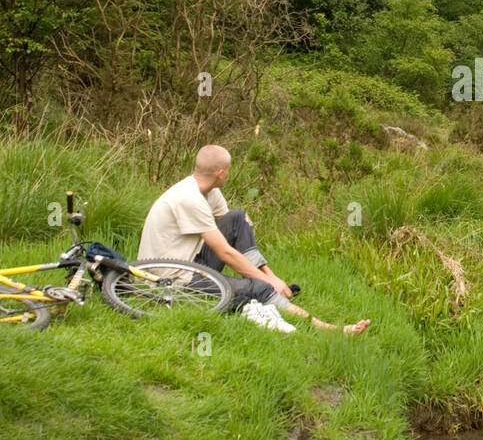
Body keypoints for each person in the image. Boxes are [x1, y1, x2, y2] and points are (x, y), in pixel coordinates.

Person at [138, 144, 370, 335]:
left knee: (238, 218)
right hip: (171, 277)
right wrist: (264, 282)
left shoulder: (209, 191)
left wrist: (271, 276)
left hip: (190, 261)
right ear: (221, 172)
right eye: (228, 169)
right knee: (257, 287)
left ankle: (269, 284)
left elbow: (233, 233)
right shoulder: (189, 199)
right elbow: (225, 253)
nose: (228, 173)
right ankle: (328, 328)